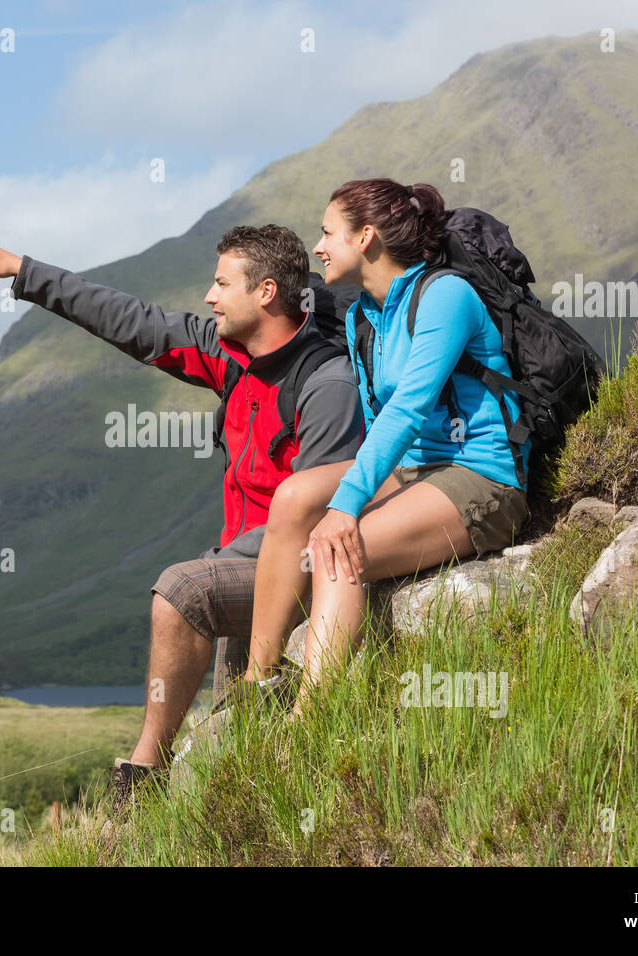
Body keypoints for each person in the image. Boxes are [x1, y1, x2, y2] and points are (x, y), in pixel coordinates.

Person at [0, 224, 364, 807]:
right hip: (243, 573)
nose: (209, 296)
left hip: (291, 577)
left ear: (266, 292)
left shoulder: (328, 386)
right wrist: (20, 270)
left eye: (222, 283)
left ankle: (143, 779)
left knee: (182, 590)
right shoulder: (232, 358)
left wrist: (222, 564)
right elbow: (130, 321)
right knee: (244, 758)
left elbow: (319, 522)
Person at [234, 179, 532, 708]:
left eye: (328, 233)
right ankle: (259, 686)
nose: (318, 248)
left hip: (482, 473)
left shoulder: (445, 296)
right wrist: (339, 498)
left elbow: (408, 409)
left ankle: (310, 722)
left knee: (335, 552)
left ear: (365, 236)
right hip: (417, 472)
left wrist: (346, 506)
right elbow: (376, 423)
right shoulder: (360, 317)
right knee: (294, 497)